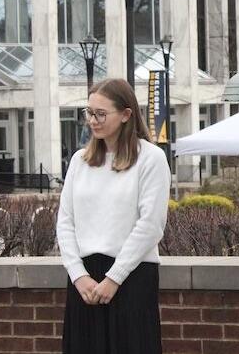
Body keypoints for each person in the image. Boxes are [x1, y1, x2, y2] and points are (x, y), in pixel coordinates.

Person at [56, 78, 171, 354]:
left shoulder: (151, 158)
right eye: (89, 112)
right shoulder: (79, 161)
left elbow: (151, 225)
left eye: (101, 114)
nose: (92, 121)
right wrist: (78, 275)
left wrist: (114, 278)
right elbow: (65, 222)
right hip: (85, 281)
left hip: (132, 276)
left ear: (126, 115)